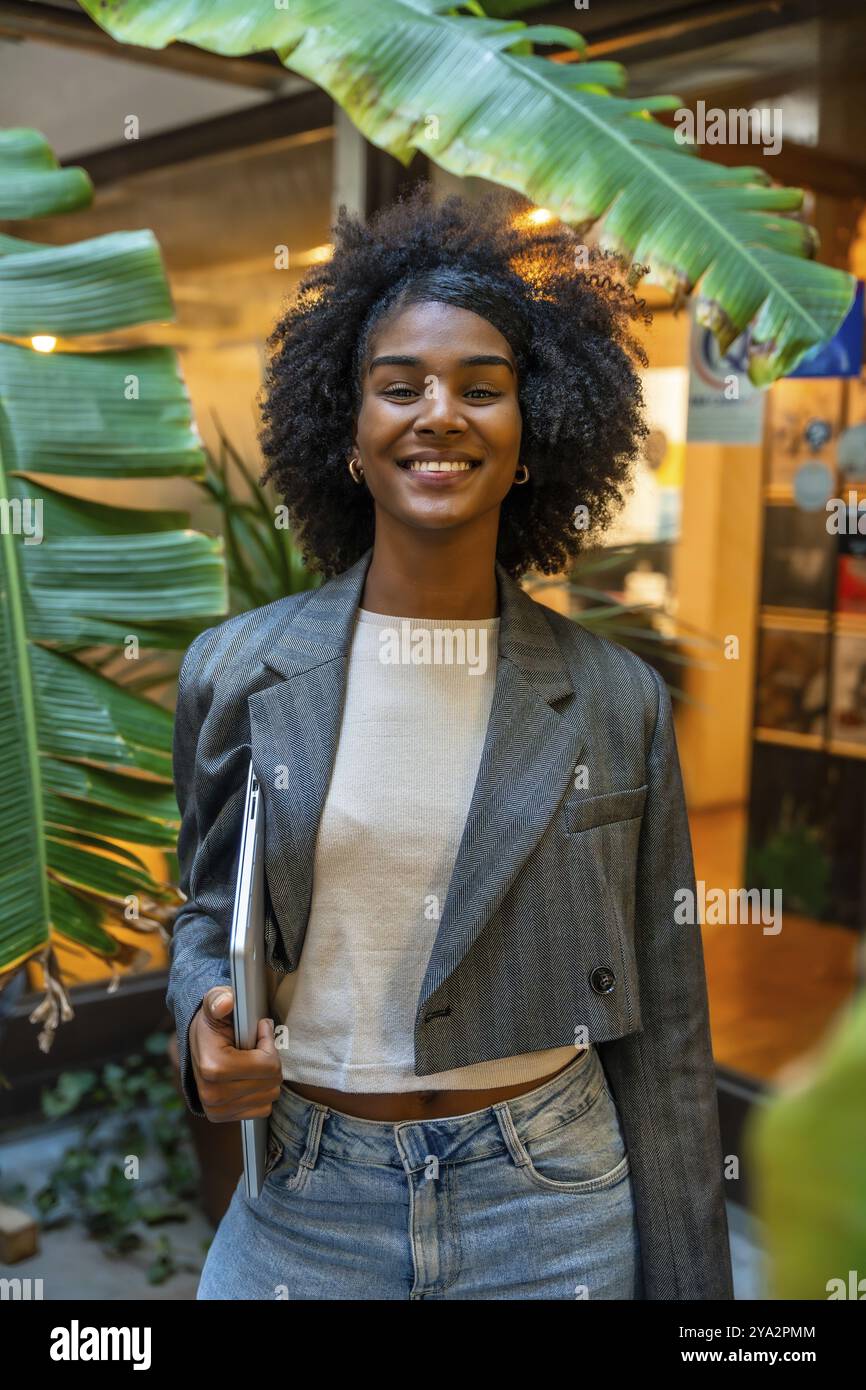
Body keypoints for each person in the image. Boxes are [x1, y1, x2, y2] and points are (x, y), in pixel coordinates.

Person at [168, 186, 733, 1300]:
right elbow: (203, 909)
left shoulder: (613, 696)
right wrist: (201, 1020)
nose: (440, 413)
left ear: (533, 440)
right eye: (399, 387)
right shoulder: (237, 670)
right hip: (307, 1196)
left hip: (548, 1203)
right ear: (349, 432)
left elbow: (665, 1019)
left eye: (482, 388)